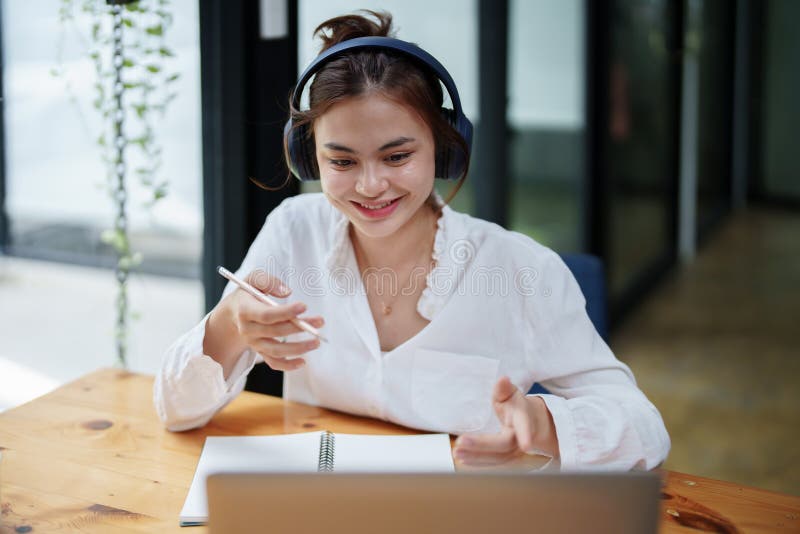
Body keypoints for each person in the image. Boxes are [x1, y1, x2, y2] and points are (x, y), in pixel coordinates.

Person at [154, 11, 670, 470]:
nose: (370, 185)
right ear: (309, 158)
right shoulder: (293, 231)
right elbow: (174, 412)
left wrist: (542, 425)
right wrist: (227, 326)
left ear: (444, 150)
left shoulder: (520, 269)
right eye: (342, 161)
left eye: (397, 156)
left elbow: (645, 428)